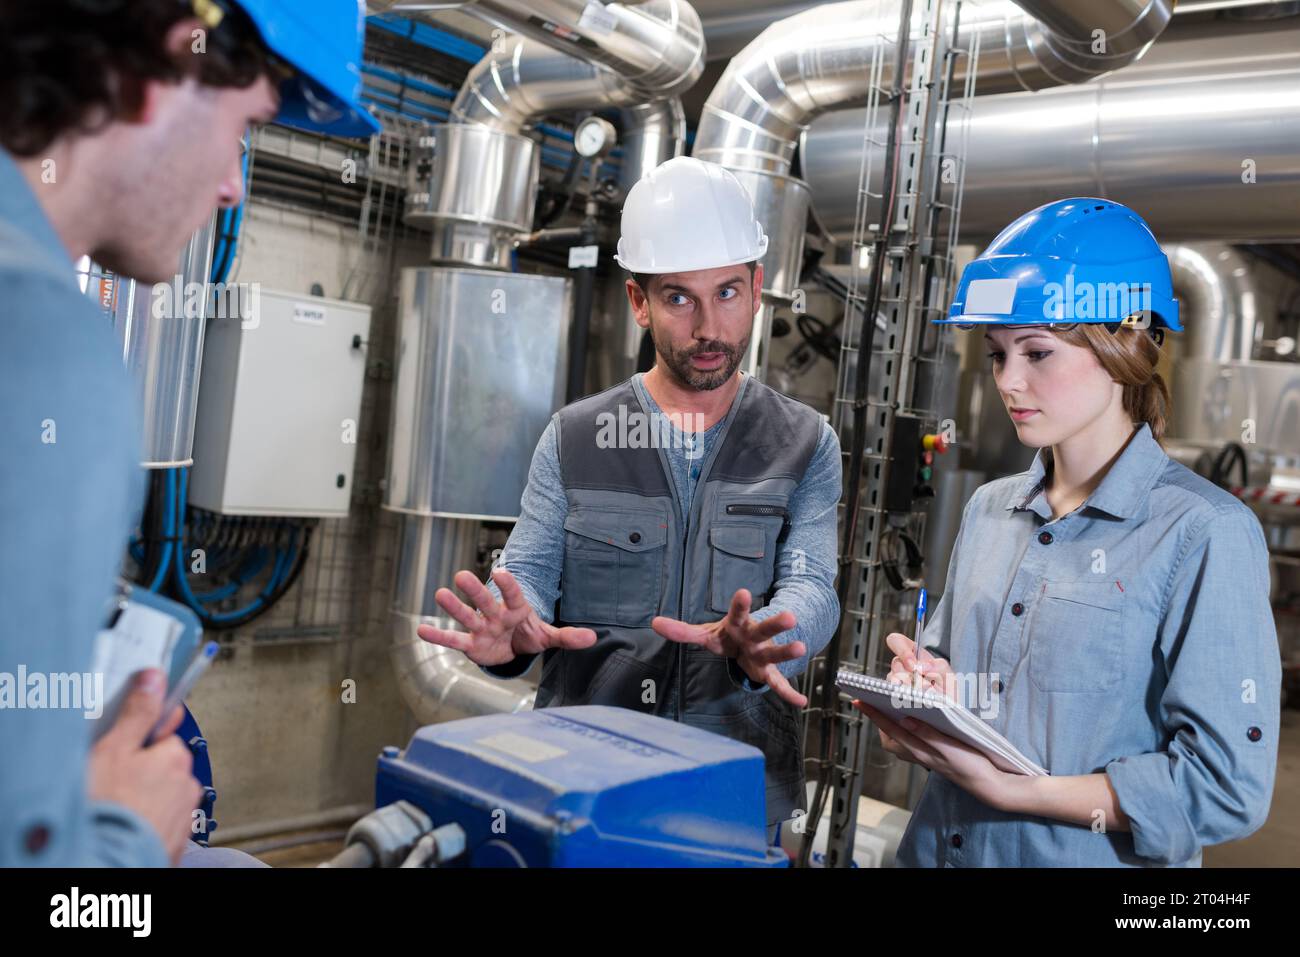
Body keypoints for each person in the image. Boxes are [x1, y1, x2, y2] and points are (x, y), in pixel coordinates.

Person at [0, 0, 378, 866]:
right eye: (245, 128)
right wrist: (129, 833)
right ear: (167, 67)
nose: (232, 186)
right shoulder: (43, 339)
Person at [417, 156, 842, 830]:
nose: (708, 327)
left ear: (758, 288)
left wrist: (773, 635)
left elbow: (815, 582)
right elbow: (526, 573)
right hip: (588, 787)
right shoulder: (574, 438)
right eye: (678, 297)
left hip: (733, 791)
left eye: (727, 292)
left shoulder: (806, 442)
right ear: (639, 302)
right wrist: (512, 625)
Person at [854, 198, 1280, 866]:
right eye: (997, 354)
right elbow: (970, 692)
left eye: (1038, 352)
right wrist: (927, 691)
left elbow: (1226, 788)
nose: (1009, 381)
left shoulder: (1203, 533)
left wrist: (1022, 792)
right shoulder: (990, 508)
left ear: (1126, 347)